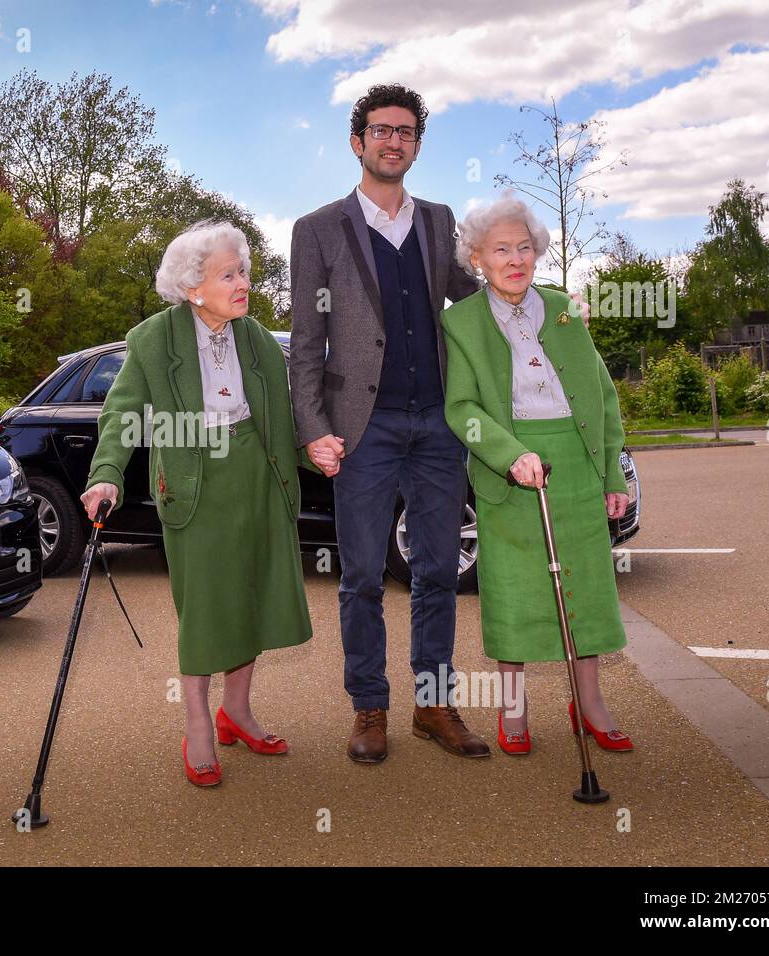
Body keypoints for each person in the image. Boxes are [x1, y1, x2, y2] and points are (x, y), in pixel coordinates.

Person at [289, 83, 490, 762]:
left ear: (417, 145)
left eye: (406, 132)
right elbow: (306, 339)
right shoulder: (317, 229)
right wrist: (313, 426)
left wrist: (537, 301)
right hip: (361, 429)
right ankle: (369, 709)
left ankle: (433, 706)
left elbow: (477, 307)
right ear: (358, 141)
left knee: (437, 573)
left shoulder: (438, 221)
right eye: (381, 131)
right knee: (363, 578)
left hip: (437, 425)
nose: (393, 141)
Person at [80, 220, 319, 787]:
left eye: (245, 272)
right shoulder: (152, 340)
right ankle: (197, 725)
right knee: (207, 606)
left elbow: (281, 418)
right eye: (229, 275)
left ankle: (236, 712)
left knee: (253, 597)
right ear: (193, 287)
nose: (244, 283)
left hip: (258, 477)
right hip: (194, 479)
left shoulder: (257, 338)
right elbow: (122, 413)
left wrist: (316, 450)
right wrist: (107, 473)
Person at [441, 193, 634, 755]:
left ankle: (589, 702)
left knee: (587, 588)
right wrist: (508, 453)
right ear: (477, 257)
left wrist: (612, 477)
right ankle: (513, 706)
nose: (515, 258)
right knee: (514, 591)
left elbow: (601, 395)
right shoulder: (459, 323)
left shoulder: (566, 310)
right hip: (511, 469)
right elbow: (461, 410)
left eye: (524, 246)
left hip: (575, 462)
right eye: (501, 248)